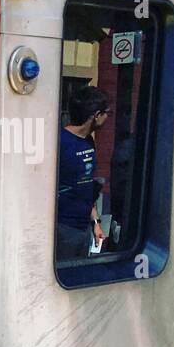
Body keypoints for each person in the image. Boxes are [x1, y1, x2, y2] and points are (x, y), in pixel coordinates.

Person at [55, 85, 108, 262]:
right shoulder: (60, 141)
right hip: (62, 228)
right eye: (107, 113)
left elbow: (88, 185)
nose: (107, 118)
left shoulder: (88, 141)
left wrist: (96, 223)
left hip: (83, 228)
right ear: (96, 115)